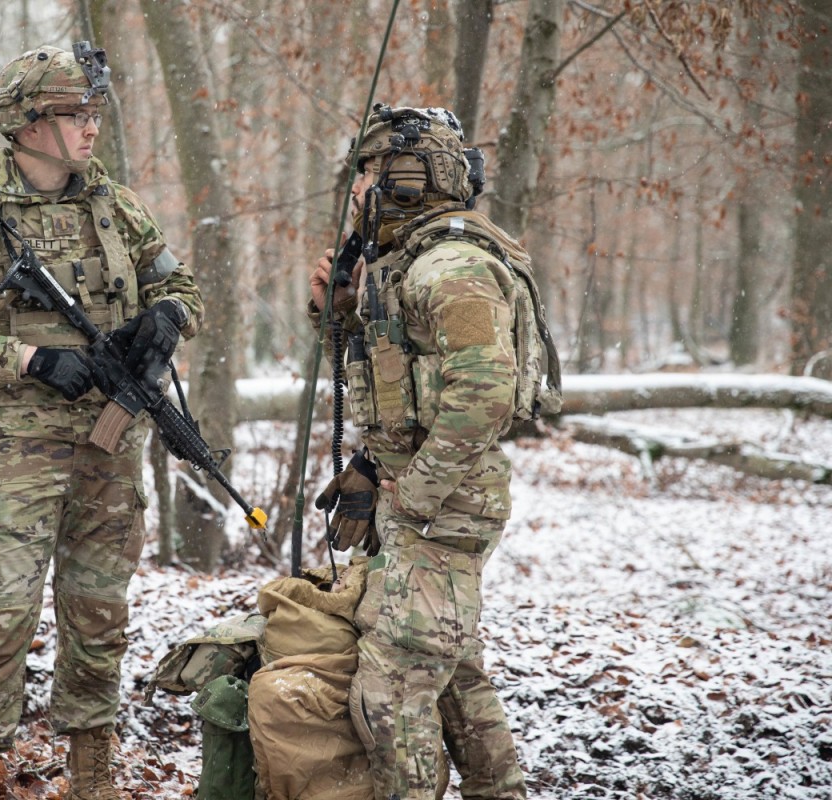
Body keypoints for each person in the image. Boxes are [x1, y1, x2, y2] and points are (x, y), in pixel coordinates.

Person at [0, 42, 204, 800]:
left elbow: (182, 284)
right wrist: (30, 361)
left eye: (97, 112)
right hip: (19, 448)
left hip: (110, 440)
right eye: (78, 113)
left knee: (99, 610)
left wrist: (168, 316)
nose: (92, 128)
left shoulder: (117, 205)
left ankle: (91, 772)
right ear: (30, 124)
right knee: (4, 611)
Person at [308, 104, 528, 799]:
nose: (356, 192)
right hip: (426, 506)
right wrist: (337, 308)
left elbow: (485, 395)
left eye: (366, 174)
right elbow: (395, 384)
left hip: (445, 510)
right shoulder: (402, 265)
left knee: (391, 699)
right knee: (458, 680)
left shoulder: (452, 266)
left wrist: (416, 493)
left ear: (406, 180)